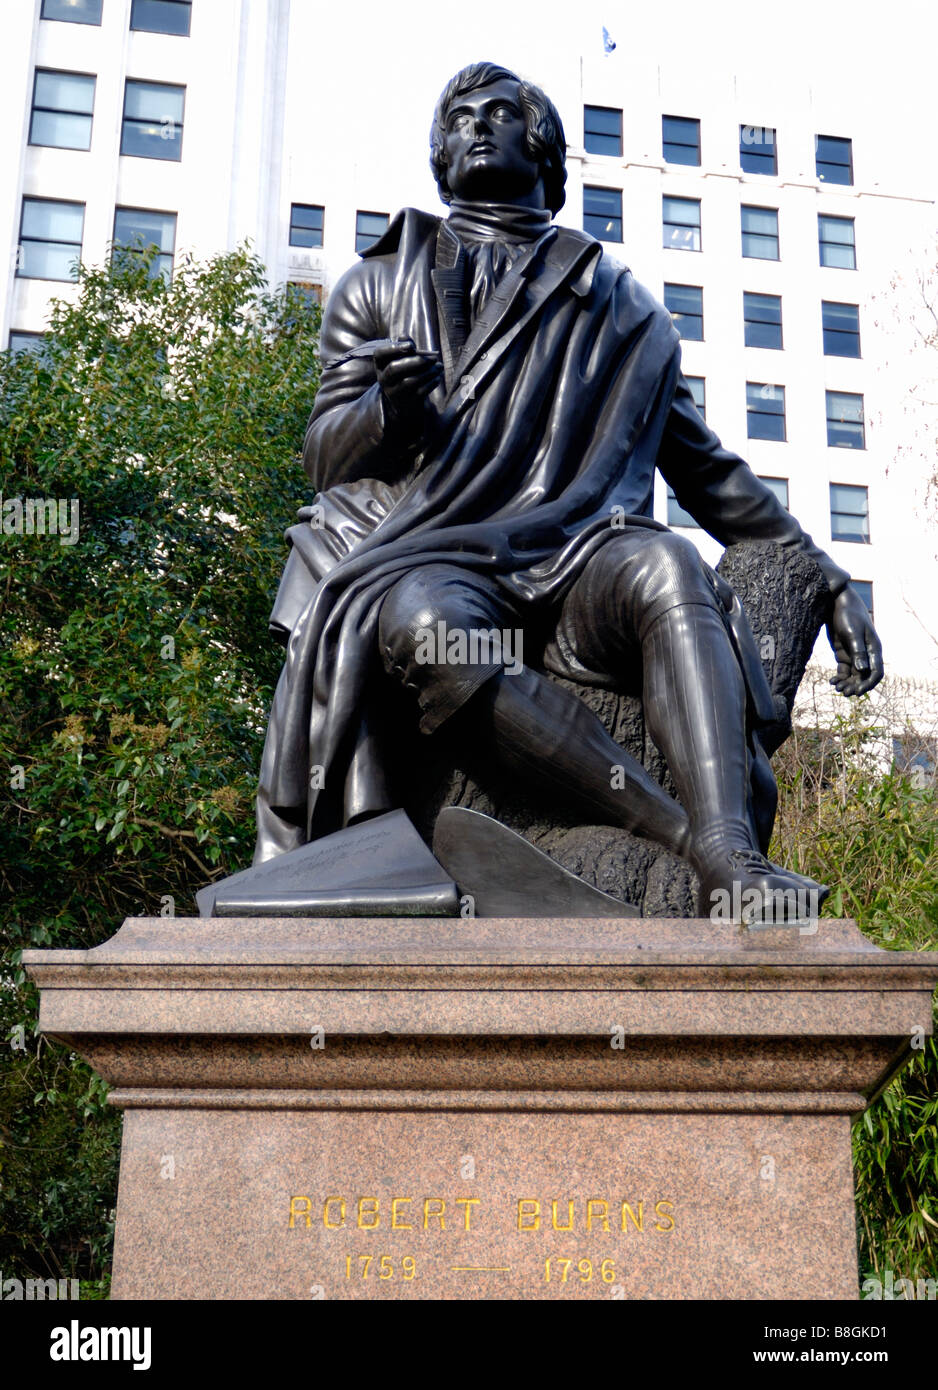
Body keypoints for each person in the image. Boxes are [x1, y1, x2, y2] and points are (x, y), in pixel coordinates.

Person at [254, 62, 883, 919]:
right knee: (428, 624)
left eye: (501, 113)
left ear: (544, 150)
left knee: (669, 565)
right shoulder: (378, 284)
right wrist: (385, 414)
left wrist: (828, 576)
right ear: (440, 156)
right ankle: (678, 832)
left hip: (578, 553)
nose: (478, 126)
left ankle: (729, 846)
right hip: (435, 552)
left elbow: (705, 470)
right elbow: (325, 457)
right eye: (459, 118)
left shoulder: (621, 307)